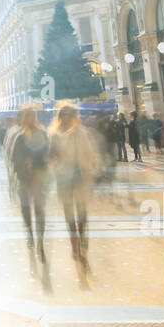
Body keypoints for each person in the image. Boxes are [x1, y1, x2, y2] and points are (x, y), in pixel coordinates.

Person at [48, 100, 99, 287]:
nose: (67, 118)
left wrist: (91, 167)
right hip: (63, 180)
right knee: (70, 220)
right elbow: (50, 155)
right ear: (60, 116)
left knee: (82, 219)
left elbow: (90, 153)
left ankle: (83, 249)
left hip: (80, 178)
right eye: (64, 114)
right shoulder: (53, 135)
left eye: (70, 114)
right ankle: (75, 249)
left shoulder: (81, 132)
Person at [8, 104, 51, 287]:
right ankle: (30, 236)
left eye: (31, 116)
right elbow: (13, 159)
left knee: (40, 212)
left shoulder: (43, 135)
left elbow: (48, 156)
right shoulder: (18, 137)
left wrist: (38, 167)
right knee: (27, 212)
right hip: (25, 182)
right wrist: (25, 170)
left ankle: (39, 240)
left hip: (39, 181)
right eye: (26, 116)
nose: (29, 119)